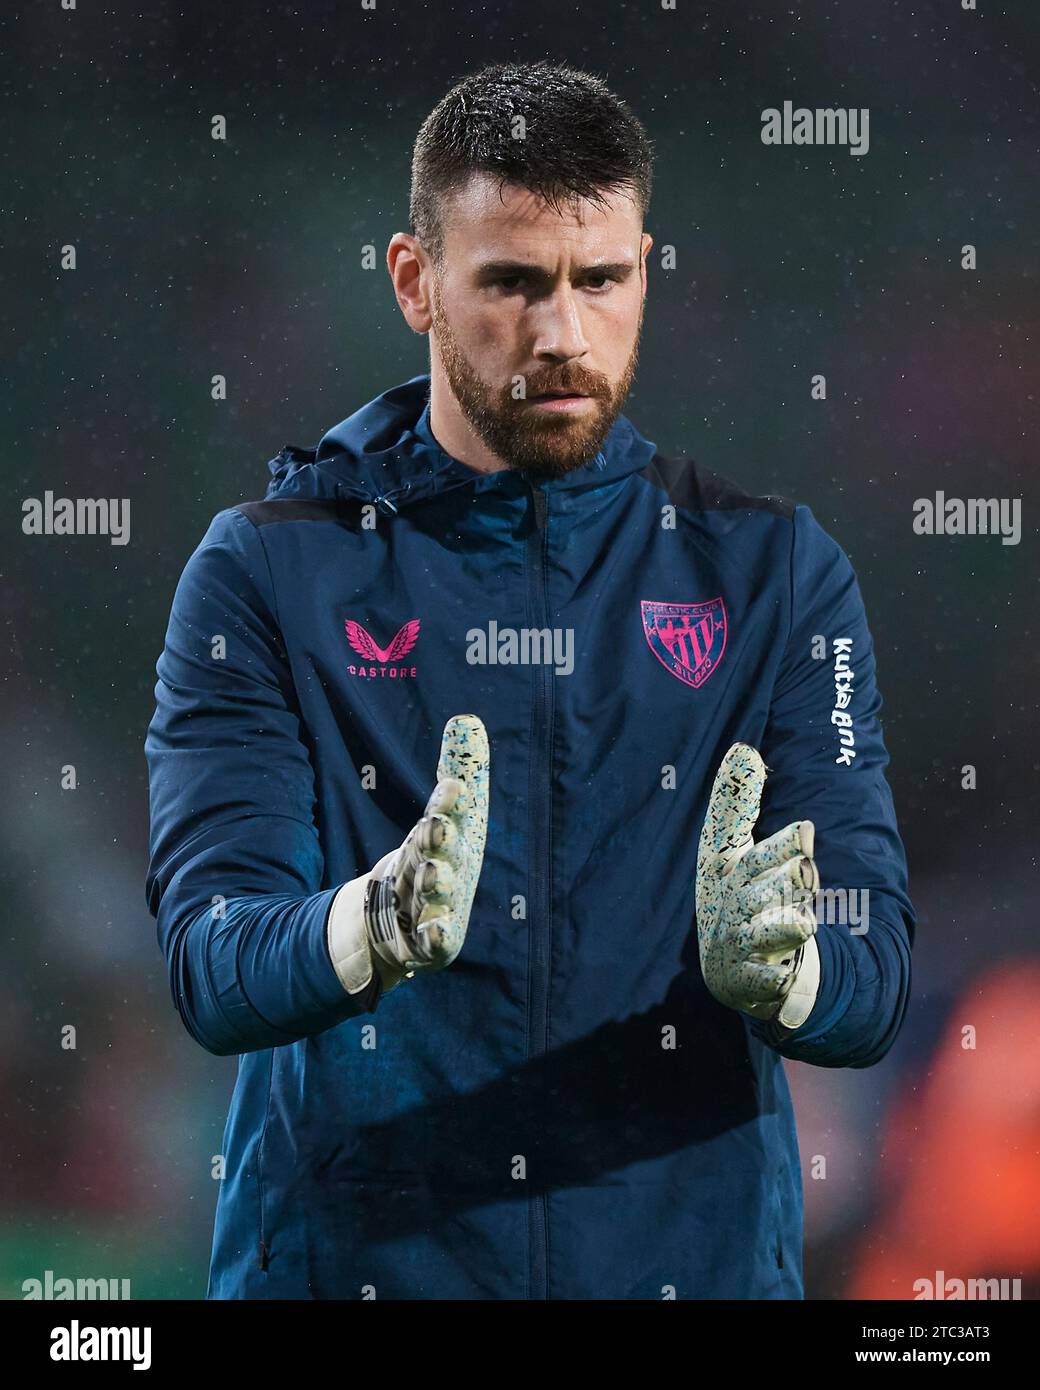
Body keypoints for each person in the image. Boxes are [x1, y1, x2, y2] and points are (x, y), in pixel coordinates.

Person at [145, 60, 915, 1300]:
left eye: (597, 280)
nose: (561, 334)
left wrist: (791, 968)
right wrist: (368, 926)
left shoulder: (773, 572)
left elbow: (870, 971)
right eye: (510, 282)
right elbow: (212, 956)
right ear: (415, 281)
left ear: (644, 273)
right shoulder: (268, 572)